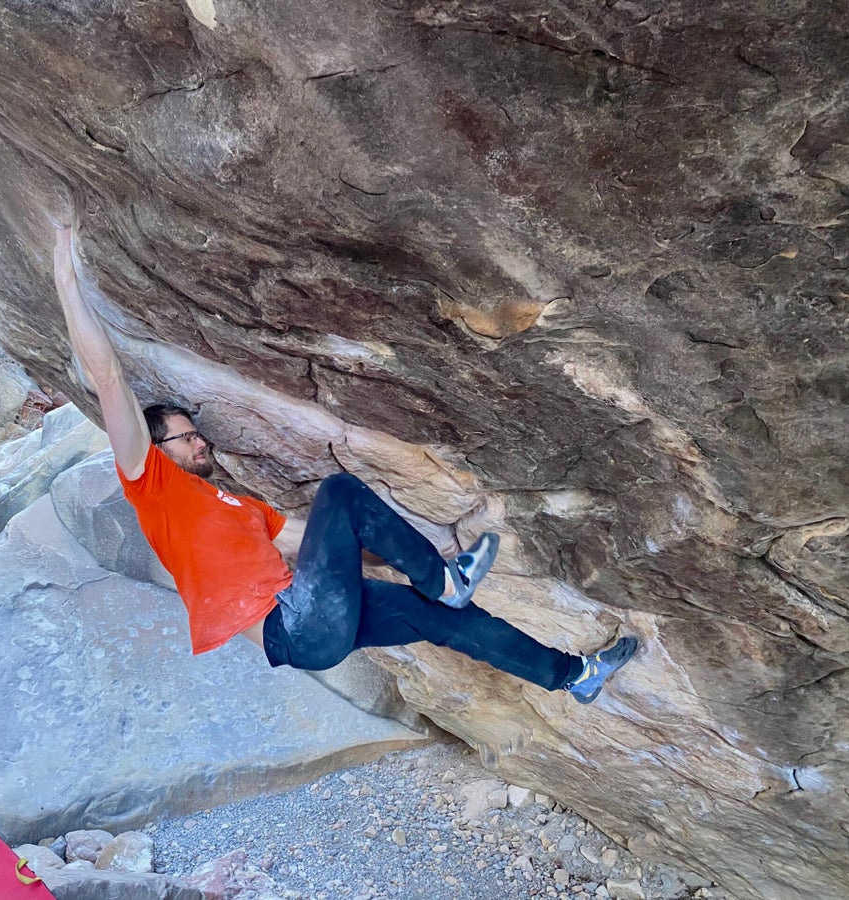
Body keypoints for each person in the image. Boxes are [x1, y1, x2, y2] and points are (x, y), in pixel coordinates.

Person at [51, 223, 638, 704]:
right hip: (294, 627)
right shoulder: (149, 485)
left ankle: (573, 675)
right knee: (339, 490)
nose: (200, 443)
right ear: (155, 450)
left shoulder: (240, 507)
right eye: (184, 438)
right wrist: (64, 273)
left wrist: (425, 549)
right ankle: (444, 582)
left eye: (196, 434)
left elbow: (329, 545)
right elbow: (107, 378)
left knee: (438, 615)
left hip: (316, 614)